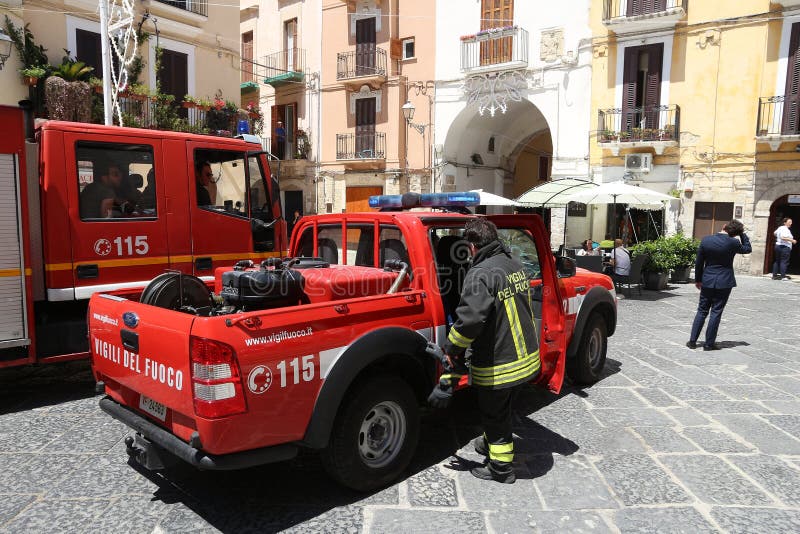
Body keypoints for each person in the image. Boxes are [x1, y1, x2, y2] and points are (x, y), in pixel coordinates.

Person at [435, 219, 540, 484]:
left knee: (494, 415)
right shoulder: (513, 263)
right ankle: (489, 443)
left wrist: (451, 349)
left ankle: (501, 469)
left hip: (501, 363)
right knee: (502, 409)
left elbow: (470, 321)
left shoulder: (480, 273)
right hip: (526, 358)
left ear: (471, 246)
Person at [687, 219, 751, 351]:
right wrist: (742, 234)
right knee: (716, 312)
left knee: (702, 310)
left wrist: (698, 279)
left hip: (708, 280)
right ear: (736, 233)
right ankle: (709, 344)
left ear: (724, 226)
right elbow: (747, 249)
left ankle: (693, 341)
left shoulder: (706, 240)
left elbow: (699, 263)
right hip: (725, 281)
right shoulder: (734, 242)